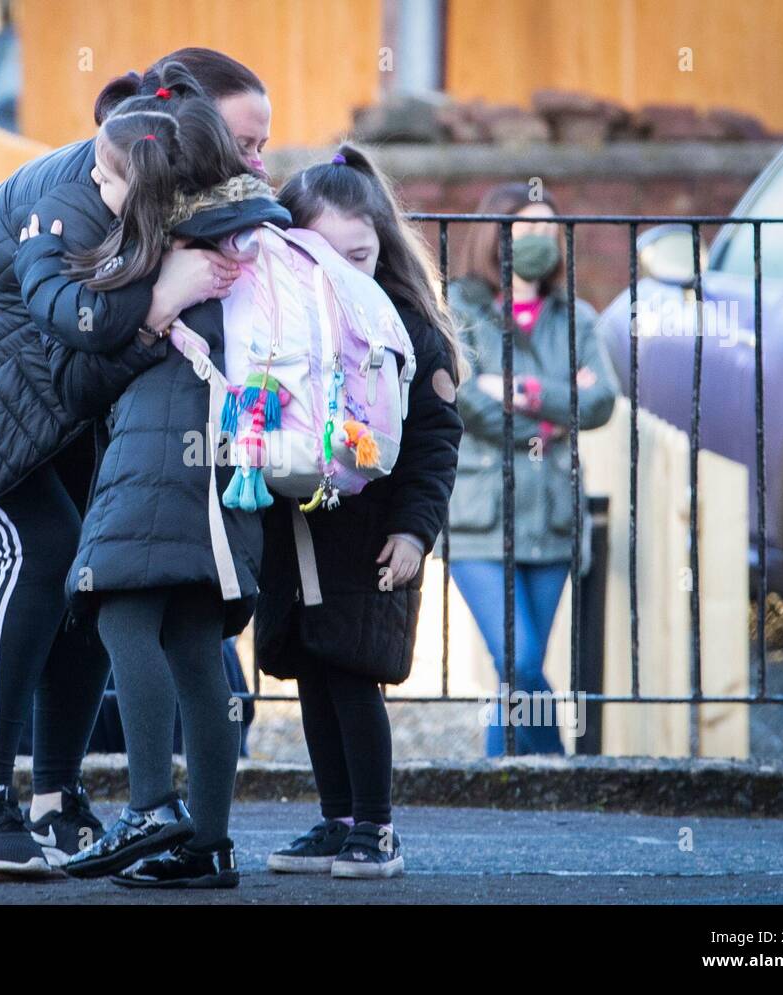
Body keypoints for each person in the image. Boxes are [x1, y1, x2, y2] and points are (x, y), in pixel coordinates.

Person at [0, 49, 268, 874]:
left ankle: (55, 798)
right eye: (247, 143)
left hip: (33, 385)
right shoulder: (78, 202)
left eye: (261, 145)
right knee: (38, 547)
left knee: (87, 562)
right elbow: (64, 371)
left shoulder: (170, 196)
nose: (259, 163)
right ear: (187, 130)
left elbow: (86, 377)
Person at [13, 66, 285, 889]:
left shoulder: (148, 249)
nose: (93, 183)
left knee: (124, 618)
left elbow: (77, 361)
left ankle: (149, 807)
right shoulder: (246, 232)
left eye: (106, 172)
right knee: (196, 642)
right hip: (229, 465)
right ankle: (208, 843)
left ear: (147, 179)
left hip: (161, 459)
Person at [253, 145, 463, 879]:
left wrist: (414, 529)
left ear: (382, 245)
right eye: (325, 256)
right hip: (300, 530)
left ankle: (376, 826)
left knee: (351, 673)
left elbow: (436, 439)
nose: (346, 271)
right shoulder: (280, 320)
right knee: (313, 673)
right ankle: (336, 816)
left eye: (361, 255)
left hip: (371, 538)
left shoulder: (406, 326)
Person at [445, 182, 617, 757]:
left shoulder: (578, 318)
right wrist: (552, 417)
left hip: (552, 519)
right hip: (479, 520)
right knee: (516, 658)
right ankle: (552, 772)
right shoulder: (459, 310)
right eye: (527, 229)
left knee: (521, 672)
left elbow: (601, 402)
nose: (542, 239)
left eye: (550, 229)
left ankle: (513, 790)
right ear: (497, 236)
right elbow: (470, 404)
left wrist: (523, 390)